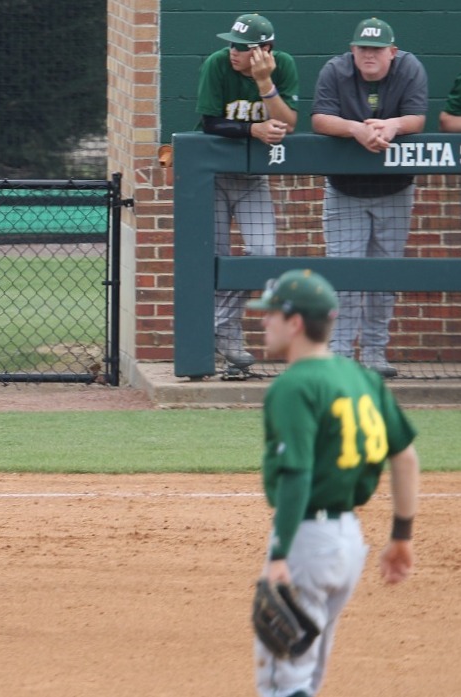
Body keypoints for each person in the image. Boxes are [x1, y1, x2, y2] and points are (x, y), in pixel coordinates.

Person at [246, 269, 419, 697]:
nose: (262, 321)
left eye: (270, 314)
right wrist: (401, 536)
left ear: (296, 322)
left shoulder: (294, 386)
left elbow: (296, 473)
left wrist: (280, 554)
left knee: (283, 681)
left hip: (306, 541)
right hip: (348, 544)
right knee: (309, 673)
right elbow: (405, 456)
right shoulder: (362, 378)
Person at [311, 17, 428, 378]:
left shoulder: (409, 68)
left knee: (383, 277)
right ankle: (341, 354)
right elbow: (319, 119)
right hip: (345, 188)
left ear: (392, 51)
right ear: (353, 50)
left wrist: (392, 125)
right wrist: (355, 129)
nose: (369, 55)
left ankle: (375, 353)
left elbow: (418, 118)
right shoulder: (335, 70)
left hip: (394, 190)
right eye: (363, 48)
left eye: (377, 49)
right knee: (344, 276)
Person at [196, 12, 299, 370]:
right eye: (231, 45)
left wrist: (264, 83)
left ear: (264, 50)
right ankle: (227, 338)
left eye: (241, 48)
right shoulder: (216, 64)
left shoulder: (282, 65)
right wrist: (252, 131)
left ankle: (217, 332)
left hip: (253, 179)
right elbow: (210, 122)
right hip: (213, 175)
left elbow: (288, 122)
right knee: (217, 258)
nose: (232, 53)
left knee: (261, 254)